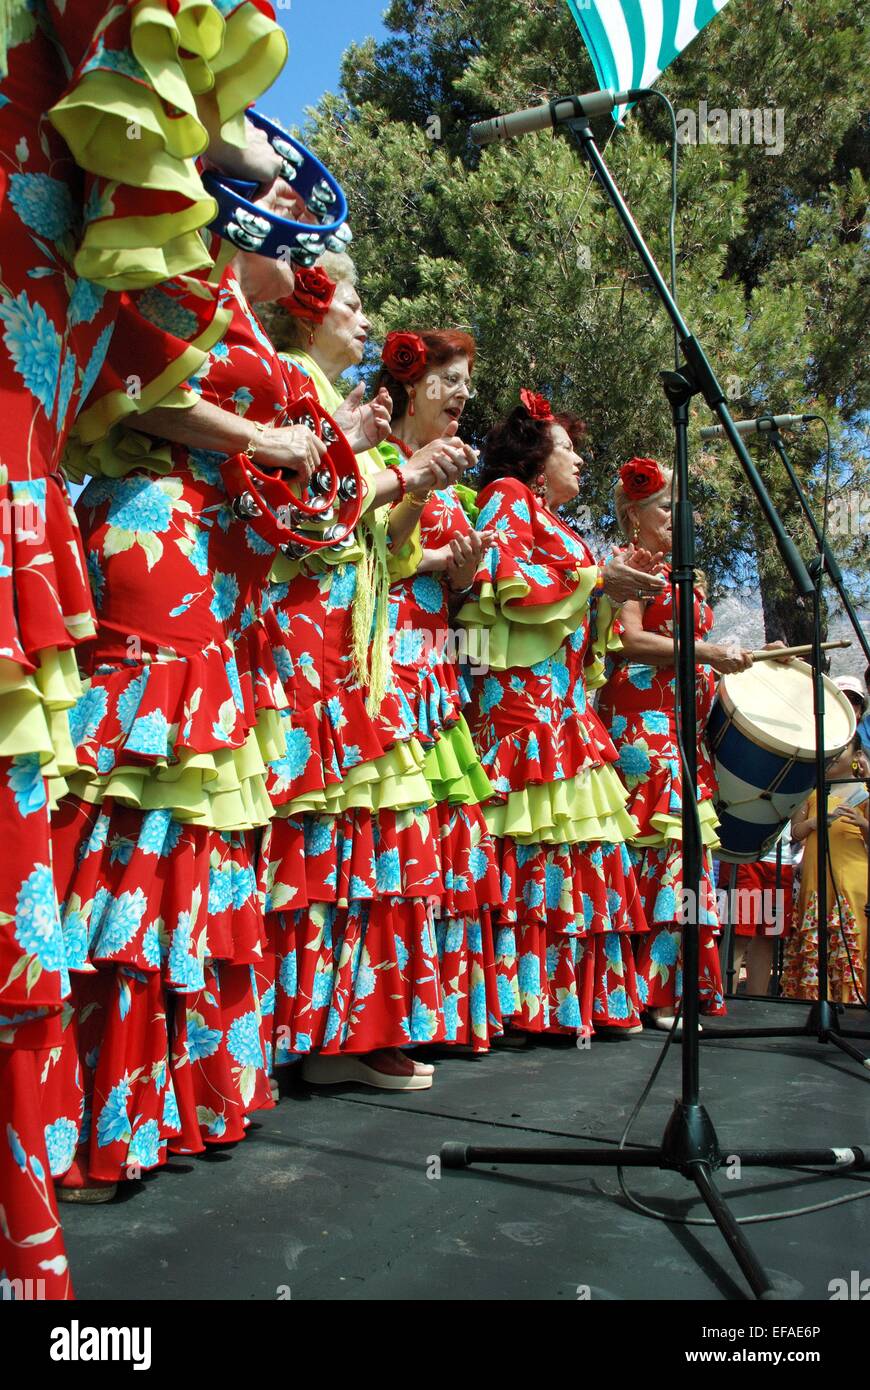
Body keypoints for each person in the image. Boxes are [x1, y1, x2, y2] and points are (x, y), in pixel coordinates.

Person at [0, 0, 286, 1292]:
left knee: (143, 875)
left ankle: (140, 1106)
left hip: (92, 537)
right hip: (105, 543)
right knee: (120, 864)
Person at [255, 261, 479, 1089]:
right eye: (353, 303)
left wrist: (415, 491)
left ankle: (354, 1026)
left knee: (374, 840)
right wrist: (397, 474)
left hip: (358, 652)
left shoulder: (344, 412)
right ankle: (289, 1034)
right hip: (309, 636)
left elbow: (388, 546)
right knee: (312, 836)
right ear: (310, 310)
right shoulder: (287, 385)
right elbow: (290, 513)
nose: (366, 319)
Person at [459, 394, 664, 1037]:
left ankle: (567, 1002)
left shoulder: (552, 519)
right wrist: (599, 581)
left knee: (572, 850)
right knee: (535, 847)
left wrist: (606, 589)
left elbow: (576, 610)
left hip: (563, 708)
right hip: (525, 708)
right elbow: (505, 578)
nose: (580, 459)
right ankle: (523, 1006)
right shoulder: (506, 495)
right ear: (537, 458)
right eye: (569, 448)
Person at [374, 328, 504, 1050]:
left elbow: (456, 593)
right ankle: (381, 1015)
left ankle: (432, 1010)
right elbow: (371, 561)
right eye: (450, 380)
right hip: (381, 652)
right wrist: (429, 553)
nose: (462, 395)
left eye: (466, 384)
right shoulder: (380, 458)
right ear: (413, 384)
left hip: (435, 660)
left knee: (442, 831)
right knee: (394, 825)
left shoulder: (458, 486)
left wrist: (461, 567)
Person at [599, 458, 757, 1029]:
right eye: (666, 508)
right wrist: (706, 653)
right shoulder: (625, 567)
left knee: (683, 857)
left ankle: (667, 989)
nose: (676, 518)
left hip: (682, 733)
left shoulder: (681, 571)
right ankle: (648, 992)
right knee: (659, 854)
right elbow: (631, 640)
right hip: (643, 730)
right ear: (633, 515)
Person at [782, 733, 870, 1003]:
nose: (832, 757)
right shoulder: (813, 791)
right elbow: (794, 832)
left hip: (853, 875)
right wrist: (810, 825)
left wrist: (862, 823)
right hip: (815, 875)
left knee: (849, 938)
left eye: (840, 751)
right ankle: (814, 1001)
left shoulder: (865, 792)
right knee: (816, 936)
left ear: (857, 757)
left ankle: (850, 1002)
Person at [720, 827, 798, 996]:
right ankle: (724, 999)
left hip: (781, 859)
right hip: (745, 855)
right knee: (739, 933)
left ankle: (757, 1002)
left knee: (769, 935)